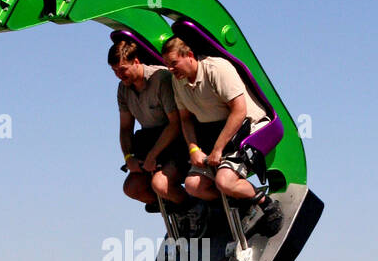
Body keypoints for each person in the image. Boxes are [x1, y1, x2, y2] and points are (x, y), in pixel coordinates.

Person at [161, 36, 283, 235]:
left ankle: (266, 204)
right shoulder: (178, 82)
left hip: (246, 127)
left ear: (189, 55)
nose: (171, 70)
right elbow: (185, 119)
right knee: (193, 186)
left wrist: (218, 149)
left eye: (174, 63)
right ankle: (241, 207)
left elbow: (239, 111)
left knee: (224, 181)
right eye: (167, 65)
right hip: (213, 132)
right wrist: (193, 149)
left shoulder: (216, 69)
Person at [109, 39, 186, 209]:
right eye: (115, 71)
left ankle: (196, 208)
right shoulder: (123, 89)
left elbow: (175, 124)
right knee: (132, 188)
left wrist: (152, 155)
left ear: (136, 62)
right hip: (149, 143)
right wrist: (129, 157)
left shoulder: (161, 79)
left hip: (176, 143)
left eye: (123, 70)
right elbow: (125, 128)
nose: (119, 76)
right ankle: (174, 209)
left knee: (160, 184)